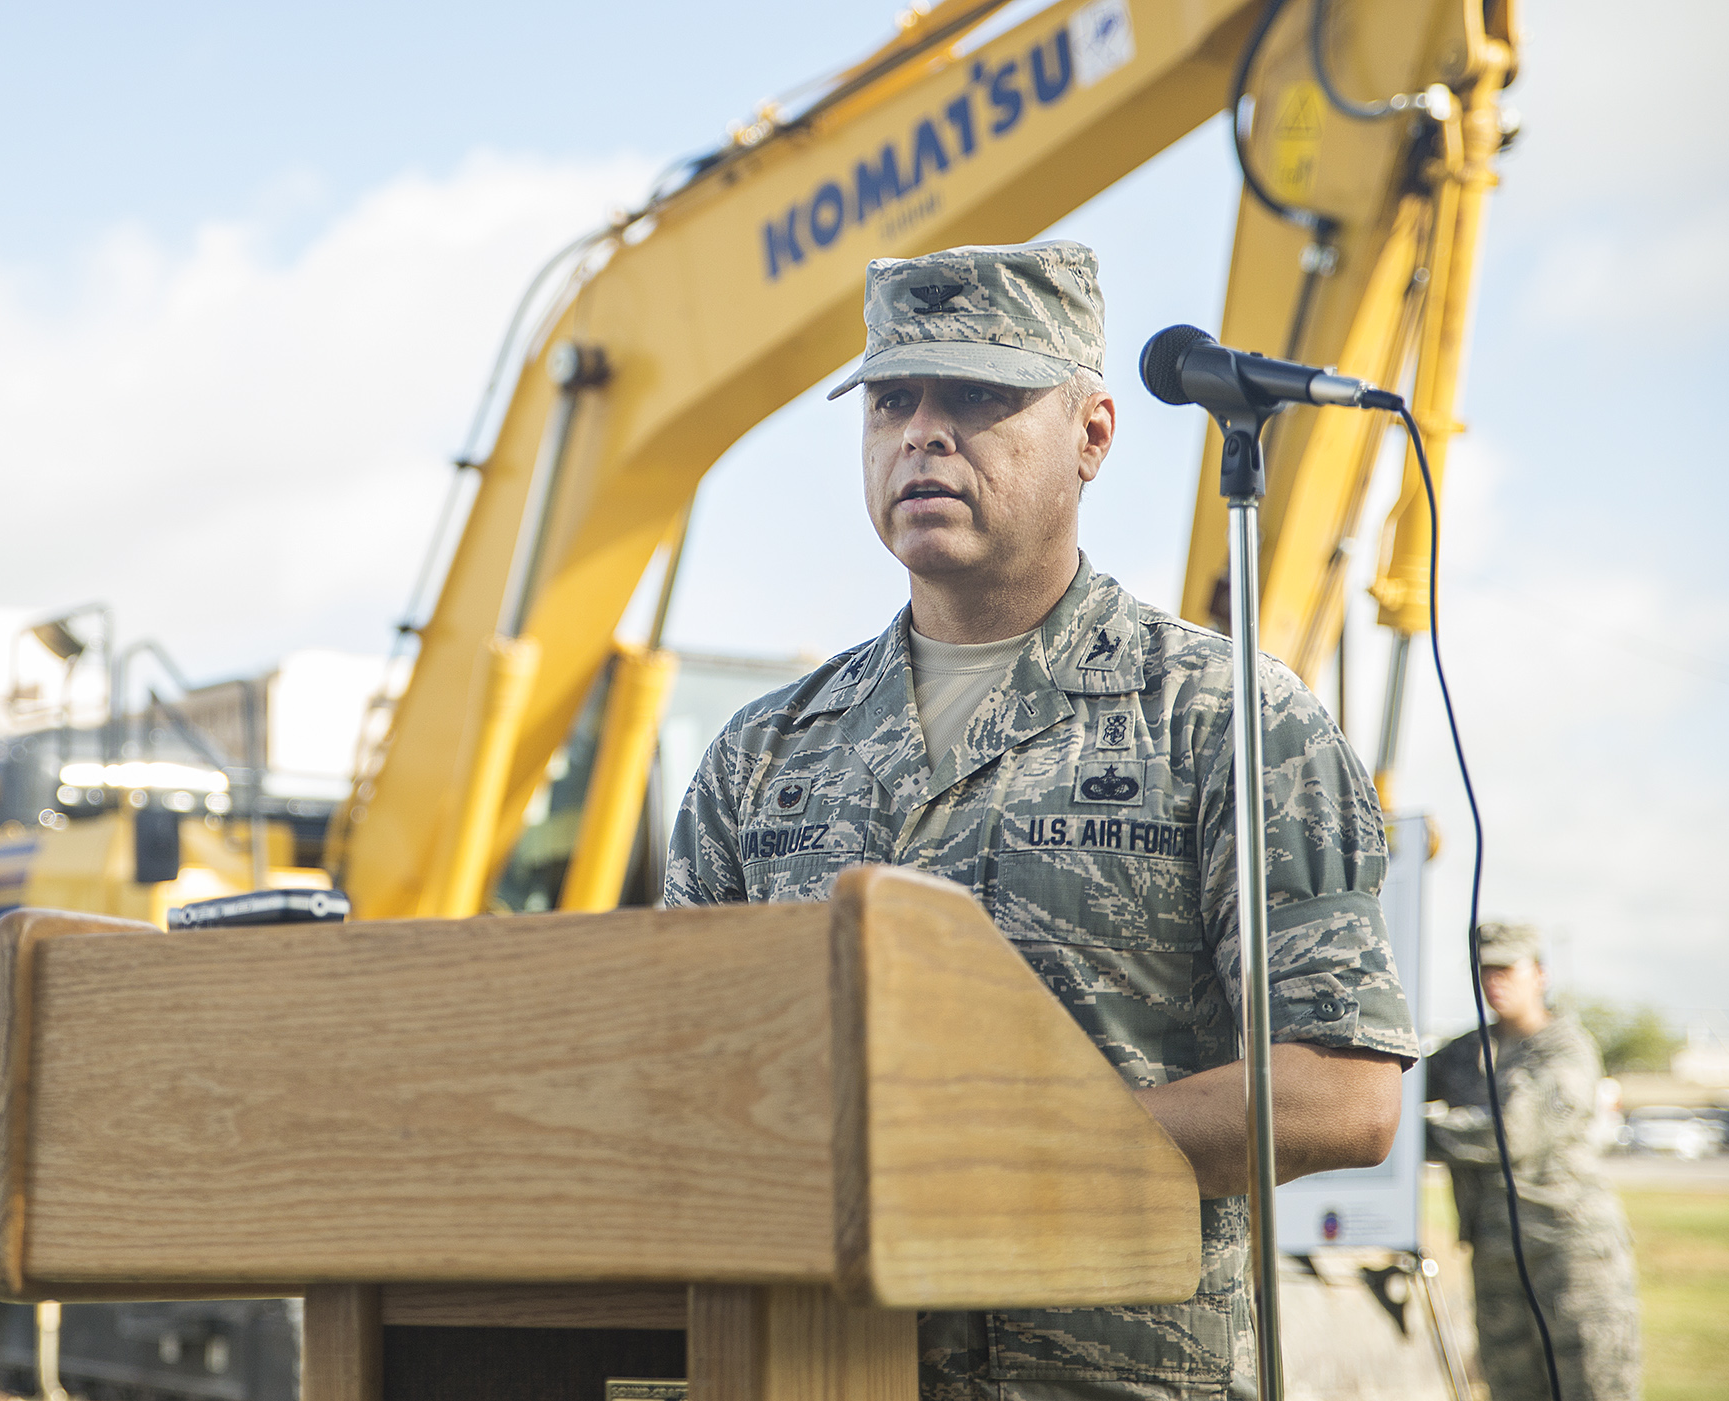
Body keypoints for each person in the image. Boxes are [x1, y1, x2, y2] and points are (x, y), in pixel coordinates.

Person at [664, 239, 1419, 1401]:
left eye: (976, 397)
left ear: (1093, 435)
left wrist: (992, 1159)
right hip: (816, 1369)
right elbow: (675, 1075)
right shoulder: (764, 753)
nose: (923, 432)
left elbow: (1341, 1092)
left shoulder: (1222, 719)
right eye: (892, 401)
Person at [1425, 922, 1642, 1400]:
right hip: (1495, 1256)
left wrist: (1413, 1137)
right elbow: (1391, 1094)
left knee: (1593, 1388)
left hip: (1569, 1252)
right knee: (1511, 1391)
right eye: (1484, 970)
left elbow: (1512, 1134)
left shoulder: (1567, 1048)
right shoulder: (1465, 1052)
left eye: (1505, 968)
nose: (1493, 980)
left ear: (1540, 974)